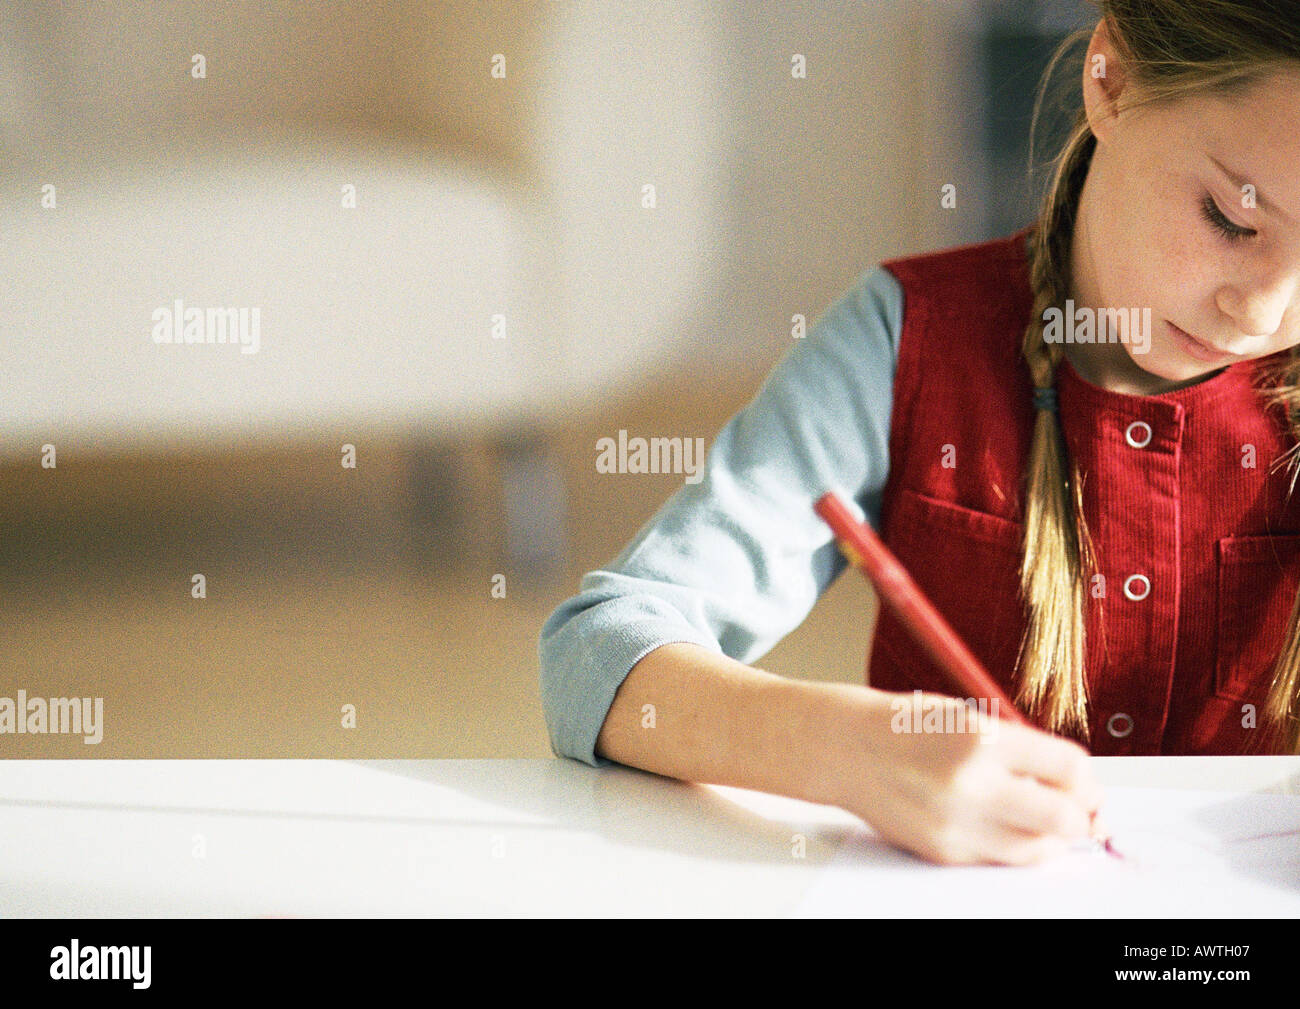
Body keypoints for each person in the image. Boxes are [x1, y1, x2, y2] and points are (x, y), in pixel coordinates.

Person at [539, 1, 1300, 865]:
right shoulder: (903, 340)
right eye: (1231, 221)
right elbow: (592, 655)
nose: (1264, 310)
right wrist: (844, 748)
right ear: (1111, 80)